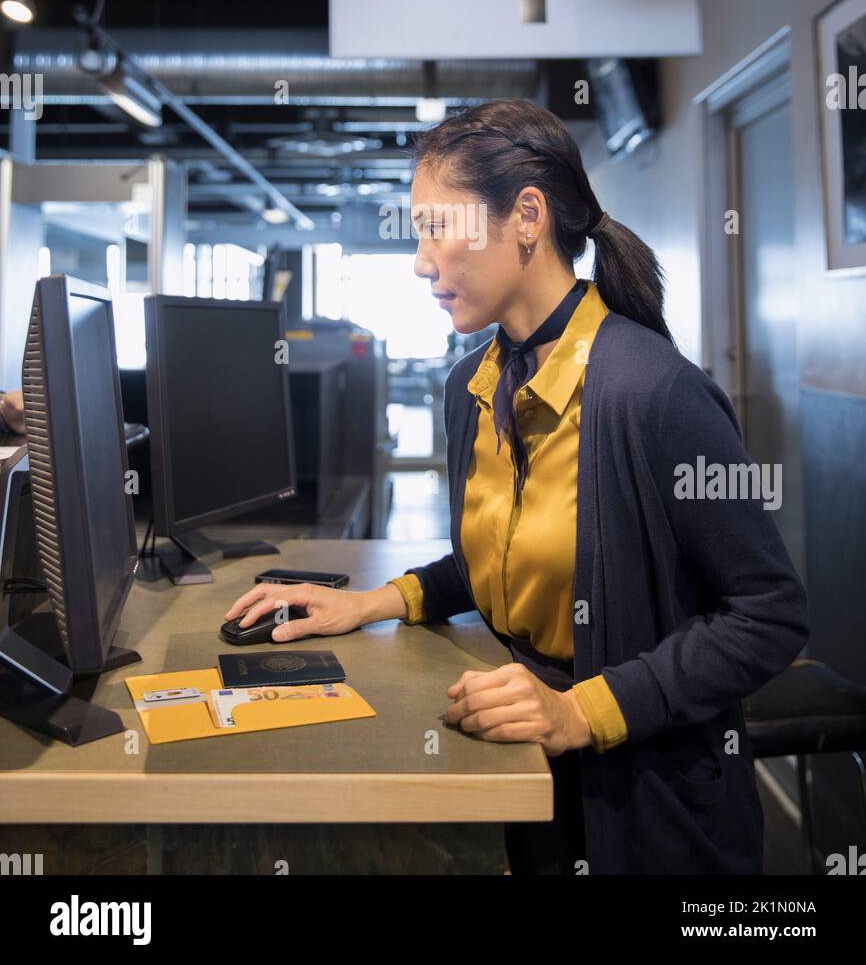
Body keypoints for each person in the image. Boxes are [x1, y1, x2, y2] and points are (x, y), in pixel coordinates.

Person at [224, 98, 809, 876]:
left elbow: (768, 616)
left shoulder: (655, 394)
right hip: (527, 773)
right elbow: (490, 565)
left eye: (438, 227)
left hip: (649, 815)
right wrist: (370, 602)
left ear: (527, 217)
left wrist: (579, 711)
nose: (420, 260)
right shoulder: (473, 383)